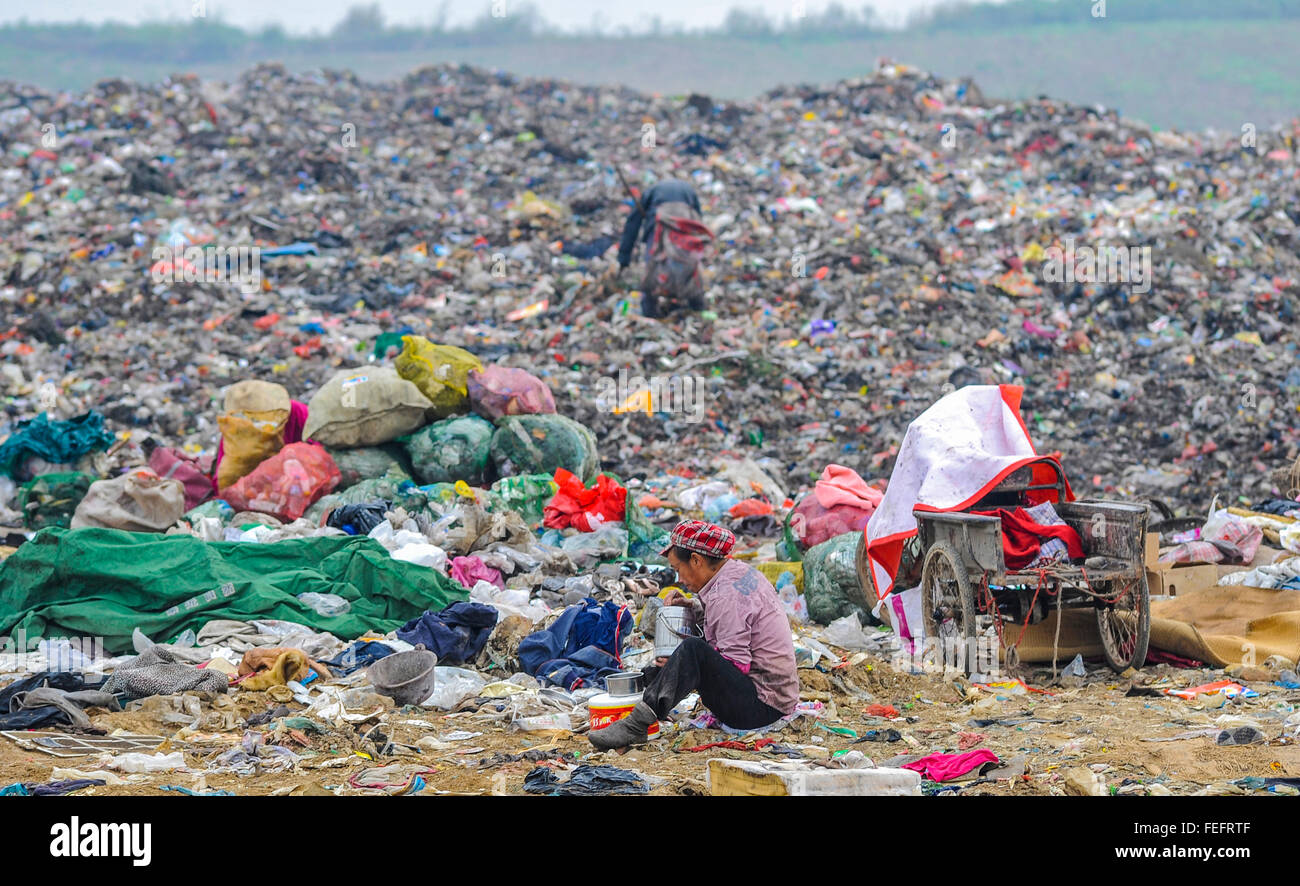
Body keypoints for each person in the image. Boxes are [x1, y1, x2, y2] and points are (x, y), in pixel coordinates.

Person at [589, 519, 800, 750]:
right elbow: (729, 623)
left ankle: (637, 724)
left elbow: (736, 664)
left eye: (678, 569)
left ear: (697, 560)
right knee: (680, 656)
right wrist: (694, 608)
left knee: (691, 650)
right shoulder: (737, 573)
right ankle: (637, 696)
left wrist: (686, 662)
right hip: (775, 696)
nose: (678, 579)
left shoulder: (726, 596)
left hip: (762, 707)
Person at [614, 178, 707, 318]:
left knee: (654, 264)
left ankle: (649, 311)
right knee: (688, 263)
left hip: (660, 226)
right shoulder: (687, 190)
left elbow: (632, 224)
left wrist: (624, 258)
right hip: (683, 226)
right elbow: (699, 221)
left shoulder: (650, 192)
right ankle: (697, 305)